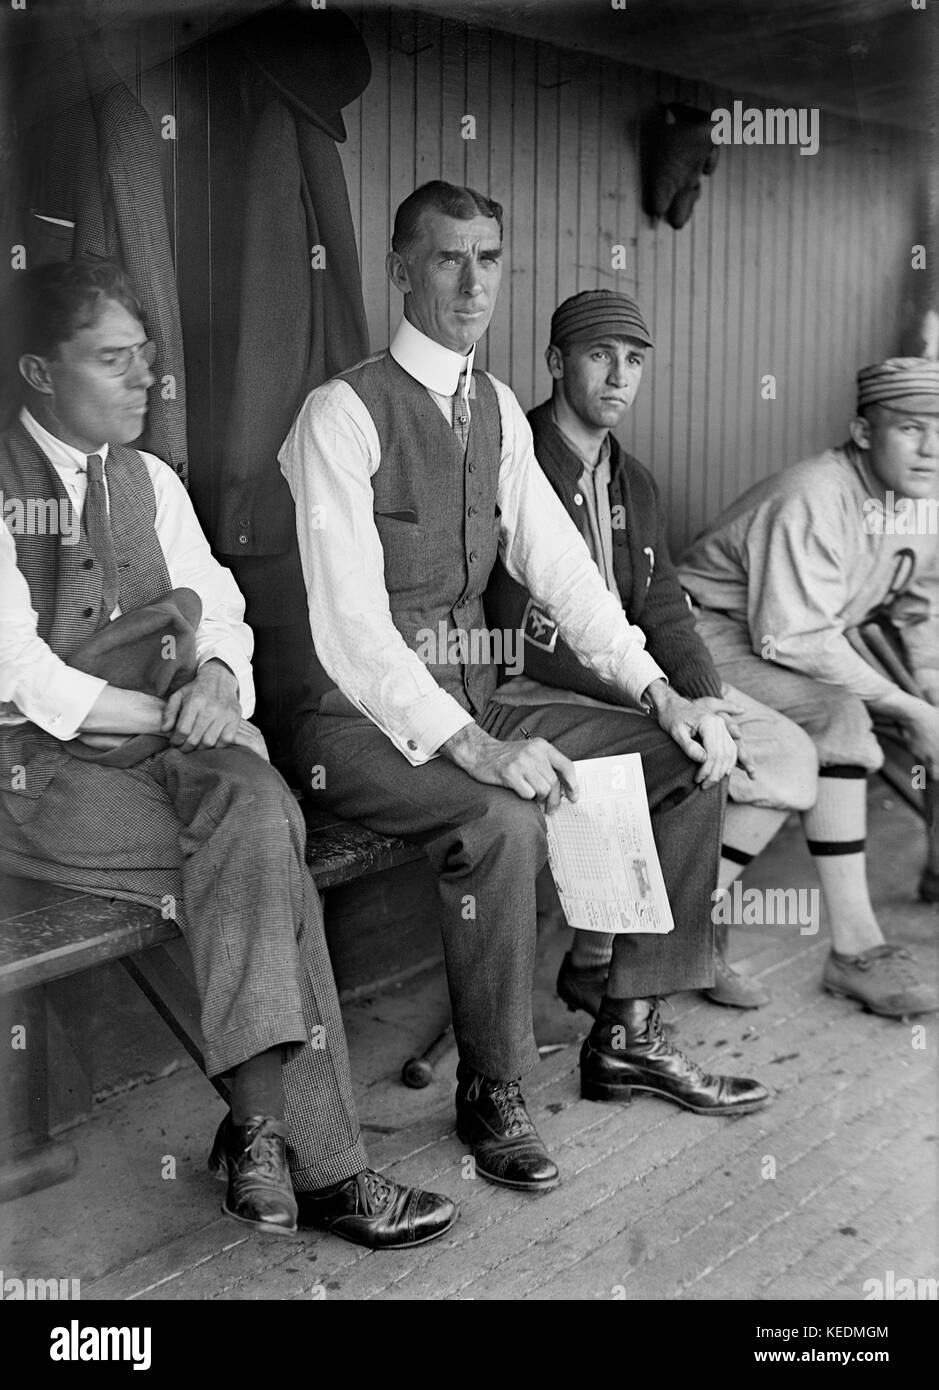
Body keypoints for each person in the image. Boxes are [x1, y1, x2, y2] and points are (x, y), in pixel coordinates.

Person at [281, 181, 770, 1200]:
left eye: (489, 259)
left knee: (684, 754)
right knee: (500, 817)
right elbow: (352, 632)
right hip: (357, 717)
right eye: (447, 258)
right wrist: (476, 745)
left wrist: (660, 690)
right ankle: (493, 1088)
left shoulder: (498, 408)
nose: (471, 282)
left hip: (477, 690)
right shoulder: (343, 413)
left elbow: (567, 573)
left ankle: (626, 1029)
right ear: (401, 269)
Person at [0, 260, 455, 1248]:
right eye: (112, 362)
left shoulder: (150, 480)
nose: (141, 384)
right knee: (266, 846)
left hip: (167, 737)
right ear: (38, 371)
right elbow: (25, 674)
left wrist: (215, 680)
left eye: (146, 362)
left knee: (257, 816)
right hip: (39, 772)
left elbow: (222, 606)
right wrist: (178, 717)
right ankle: (320, 1164)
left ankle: (260, 1135)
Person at [486, 288, 820, 1014]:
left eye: (633, 360)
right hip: (534, 692)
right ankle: (621, 970)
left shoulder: (632, 479)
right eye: (599, 356)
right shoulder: (517, 459)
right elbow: (524, 628)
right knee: (668, 758)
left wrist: (702, 697)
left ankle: (641, 942)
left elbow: (663, 603)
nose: (618, 377)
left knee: (783, 757)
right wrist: (658, 703)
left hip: (644, 684)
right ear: (554, 361)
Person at [679, 356, 939, 1019]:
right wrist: (906, 708)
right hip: (696, 635)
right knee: (828, 723)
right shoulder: (814, 494)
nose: (930, 447)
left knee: (844, 719)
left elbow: (916, 607)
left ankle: (853, 949)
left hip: (771, 636)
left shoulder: (919, 500)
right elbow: (788, 638)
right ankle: (657, 935)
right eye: (910, 428)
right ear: (860, 431)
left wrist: (929, 697)